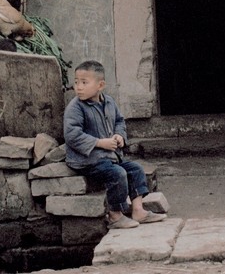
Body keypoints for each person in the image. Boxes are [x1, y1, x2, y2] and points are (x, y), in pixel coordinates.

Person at [63, 60, 166, 229]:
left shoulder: (109, 102)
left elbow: (119, 121)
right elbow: (72, 135)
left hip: (108, 157)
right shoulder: (75, 107)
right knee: (117, 174)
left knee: (135, 169)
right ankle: (115, 215)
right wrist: (99, 142)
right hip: (86, 161)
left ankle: (138, 210)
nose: (78, 87)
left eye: (84, 82)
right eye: (76, 82)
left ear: (100, 85)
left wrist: (120, 136)